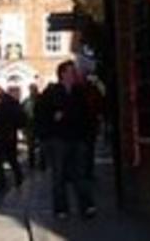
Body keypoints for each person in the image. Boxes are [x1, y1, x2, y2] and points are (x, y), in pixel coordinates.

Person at [35, 61, 97, 220]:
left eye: (74, 71)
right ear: (63, 74)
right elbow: (41, 114)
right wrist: (50, 125)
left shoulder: (79, 92)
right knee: (59, 175)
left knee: (80, 174)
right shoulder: (51, 93)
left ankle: (87, 206)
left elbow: (87, 115)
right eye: (71, 71)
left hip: (77, 138)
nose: (74, 74)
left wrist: (88, 134)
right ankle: (61, 209)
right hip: (58, 140)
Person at [0, 86, 26, 190]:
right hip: (11, 135)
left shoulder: (1, 104)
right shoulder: (14, 103)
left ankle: (0, 183)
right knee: (12, 159)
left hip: (0, 134)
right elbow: (22, 120)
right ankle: (18, 177)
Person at [22, 82, 43, 170]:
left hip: (39, 124)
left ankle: (41, 163)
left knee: (41, 146)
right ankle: (32, 163)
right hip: (29, 125)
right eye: (31, 89)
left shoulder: (41, 99)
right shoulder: (26, 100)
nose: (32, 91)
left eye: (33, 89)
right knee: (31, 146)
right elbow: (23, 113)